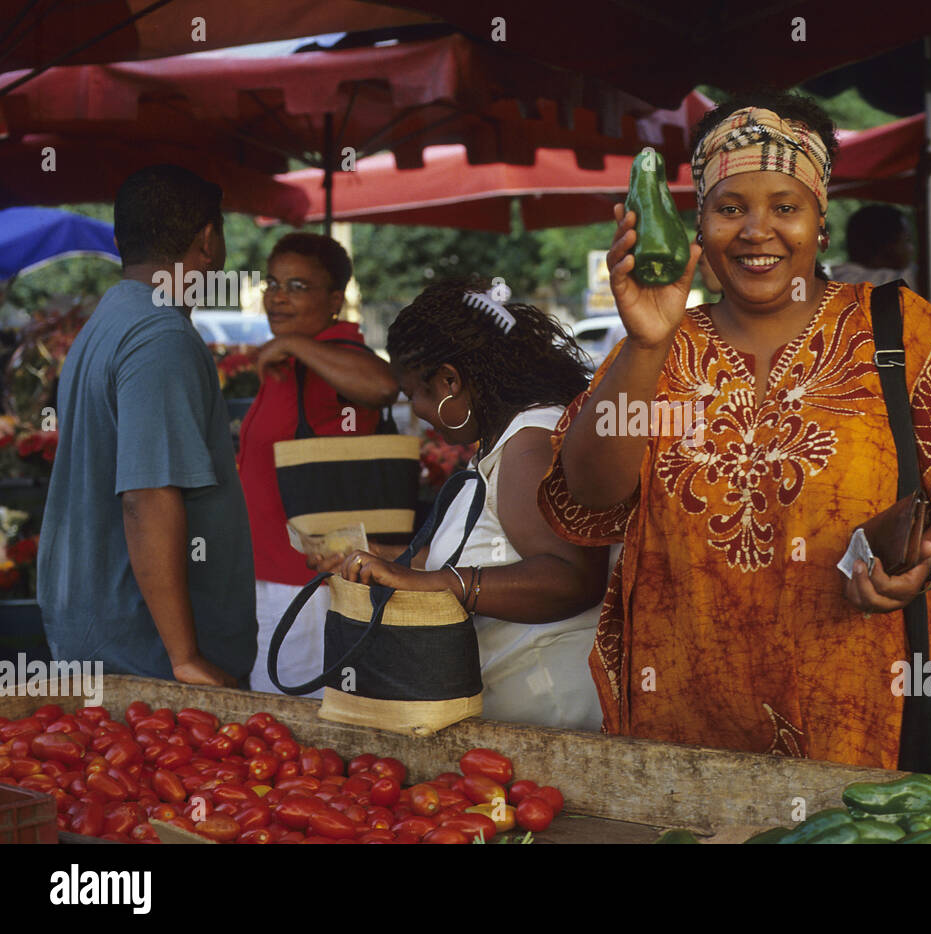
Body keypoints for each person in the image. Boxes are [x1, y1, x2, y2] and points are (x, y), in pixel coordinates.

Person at [539, 91, 931, 768]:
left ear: (821, 222)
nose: (755, 231)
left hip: (867, 724)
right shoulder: (664, 351)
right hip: (686, 730)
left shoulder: (894, 331)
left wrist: (929, 557)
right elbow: (592, 492)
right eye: (730, 208)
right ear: (699, 224)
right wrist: (647, 341)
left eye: (785, 207)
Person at [314, 277, 610, 731]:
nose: (414, 408)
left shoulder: (530, 446)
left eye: (416, 392)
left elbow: (571, 578)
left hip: (552, 711)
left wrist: (435, 583)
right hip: (524, 712)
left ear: (450, 380)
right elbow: (493, 551)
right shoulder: (505, 440)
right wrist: (385, 562)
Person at [37, 165, 255, 685]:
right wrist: (184, 656)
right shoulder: (159, 335)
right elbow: (147, 496)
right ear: (208, 241)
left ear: (118, 241)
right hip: (150, 655)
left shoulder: (109, 320)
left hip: (109, 637)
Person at [238, 233, 398, 696]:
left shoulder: (334, 353)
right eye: (272, 282)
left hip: (310, 583)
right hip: (272, 573)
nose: (278, 296)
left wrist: (295, 344)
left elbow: (382, 385)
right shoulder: (292, 358)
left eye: (297, 286)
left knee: (293, 724)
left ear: (335, 299)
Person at [830, 204, 915, 287]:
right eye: (906, 240)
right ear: (887, 246)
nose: (911, 249)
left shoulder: (842, 282)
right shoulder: (856, 285)